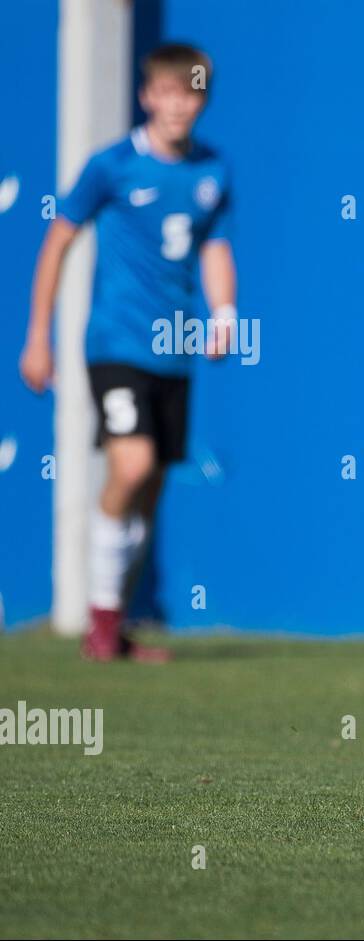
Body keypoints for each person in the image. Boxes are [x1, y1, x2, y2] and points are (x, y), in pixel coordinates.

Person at [19, 42, 236, 662]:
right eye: (168, 92)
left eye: (191, 93)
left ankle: (113, 622)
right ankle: (100, 627)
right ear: (147, 97)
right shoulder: (111, 166)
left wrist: (224, 315)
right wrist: (39, 335)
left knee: (152, 488)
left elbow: (215, 248)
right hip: (115, 344)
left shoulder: (212, 172)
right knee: (132, 466)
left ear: (202, 100)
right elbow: (58, 242)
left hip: (175, 353)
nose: (179, 105)